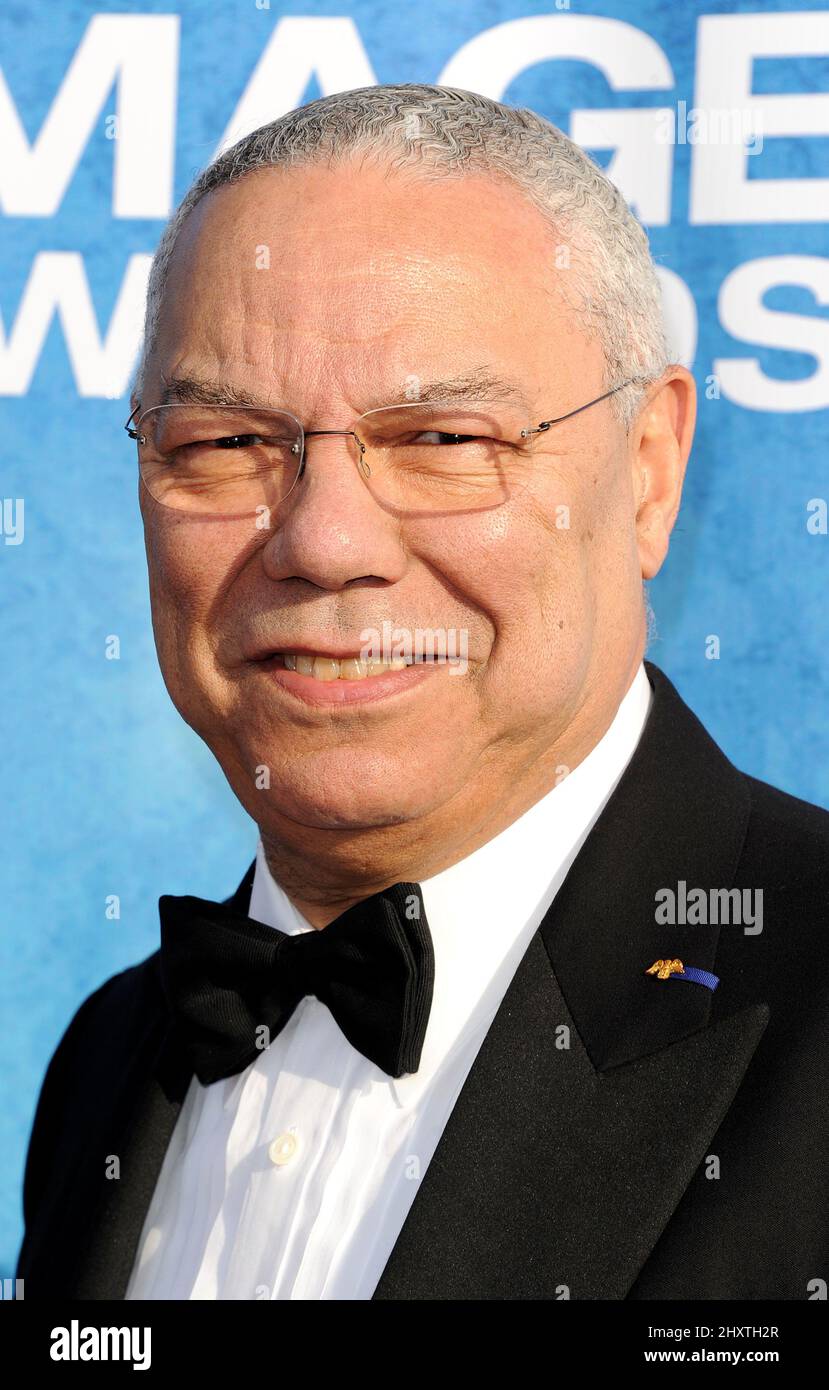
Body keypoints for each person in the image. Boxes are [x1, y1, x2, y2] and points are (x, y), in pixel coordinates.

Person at [16, 83, 828, 1301]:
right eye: (227, 443)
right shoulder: (107, 1059)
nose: (325, 540)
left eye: (444, 439)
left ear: (648, 473)